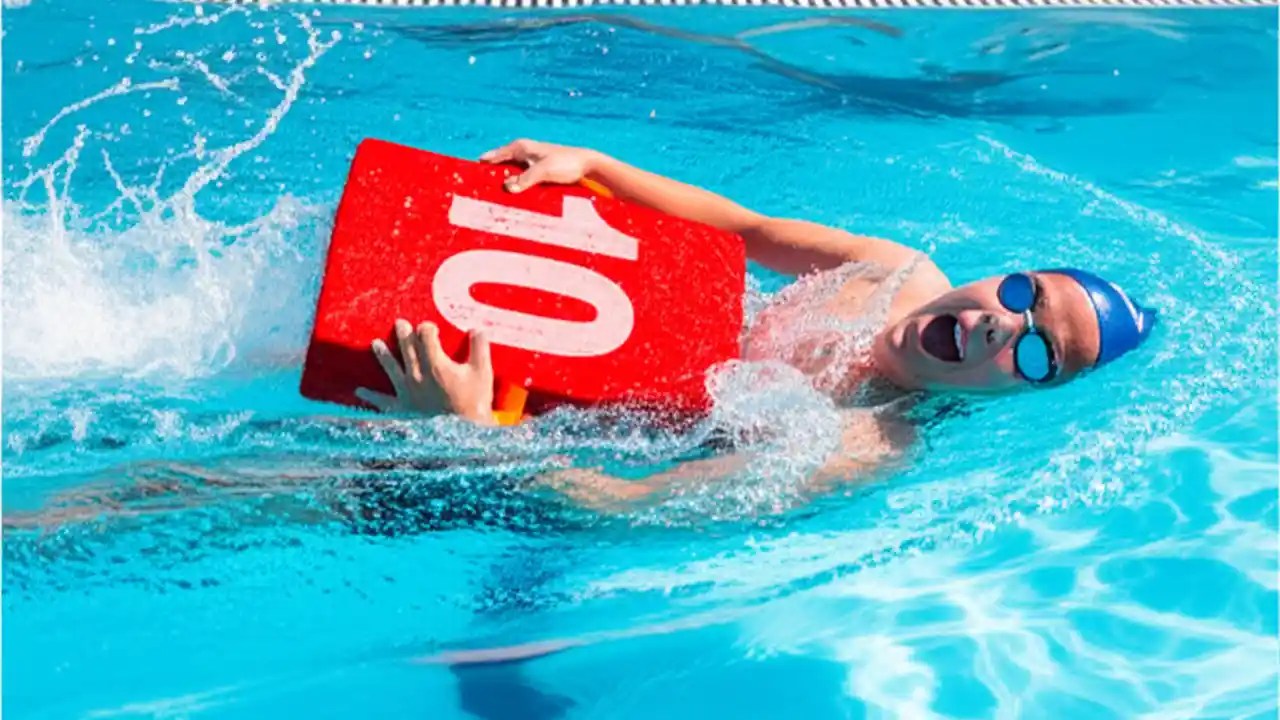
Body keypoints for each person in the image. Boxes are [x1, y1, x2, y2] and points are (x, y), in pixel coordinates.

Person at [355, 138, 1158, 510]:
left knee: (270, 498)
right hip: (585, 355)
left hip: (543, 449)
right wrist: (595, 166)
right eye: (1023, 294)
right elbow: (739, 230)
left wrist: (471, 443)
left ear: (1020, 397)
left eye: (1038, 356)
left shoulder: (860, 444)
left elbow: (622, 508)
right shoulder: (896, 269)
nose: (1001, 327)